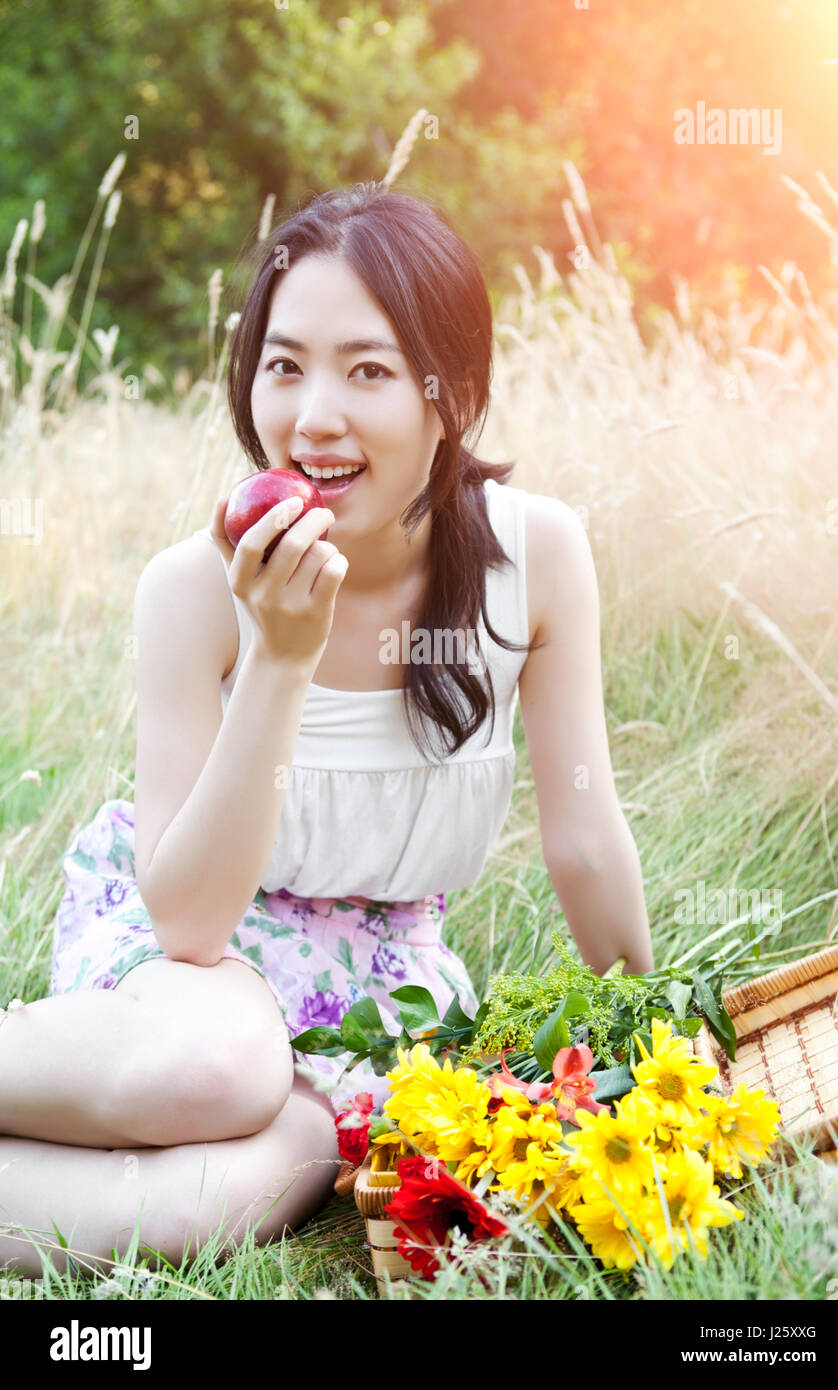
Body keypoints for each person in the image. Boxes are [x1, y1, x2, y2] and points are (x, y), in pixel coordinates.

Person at [0, 181, 653, 1281]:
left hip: (376, 982)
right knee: (220, 1070)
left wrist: (651, 1032)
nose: (312, 416)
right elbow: (191, 921)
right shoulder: (192, 591)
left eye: (368, 369)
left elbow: (582, 841)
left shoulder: (534, 559)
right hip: (191, 960)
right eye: (283, 363)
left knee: (226, 1198)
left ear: (452, 394)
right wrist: (280, 658)